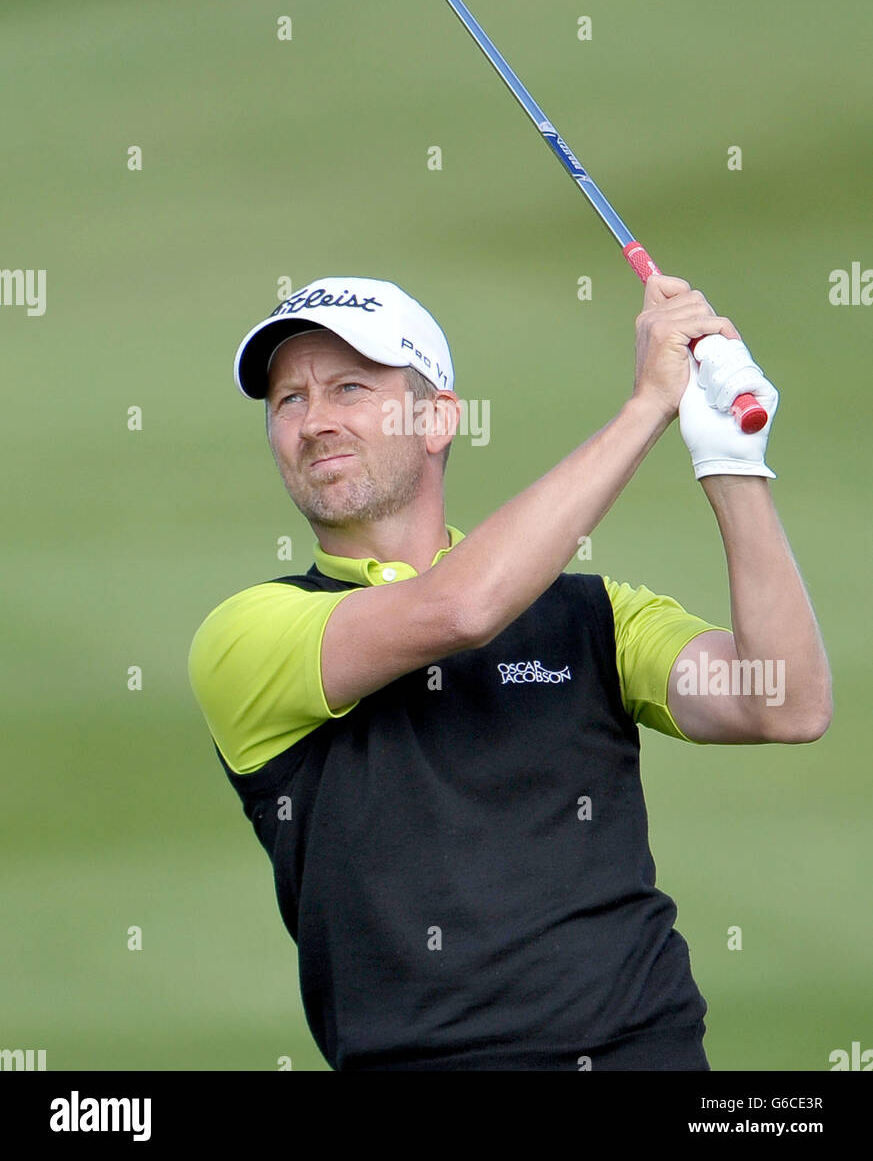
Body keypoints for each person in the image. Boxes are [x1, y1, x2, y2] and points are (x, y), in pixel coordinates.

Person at [188, 274, 831, 1072]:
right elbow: (461, 609)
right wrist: (643, 410)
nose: (314, 421)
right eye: (287, 401)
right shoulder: (246, 635)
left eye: (349, 387)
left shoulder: (594, 616)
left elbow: (784, 705)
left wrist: (732, 463)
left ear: (437, 418)